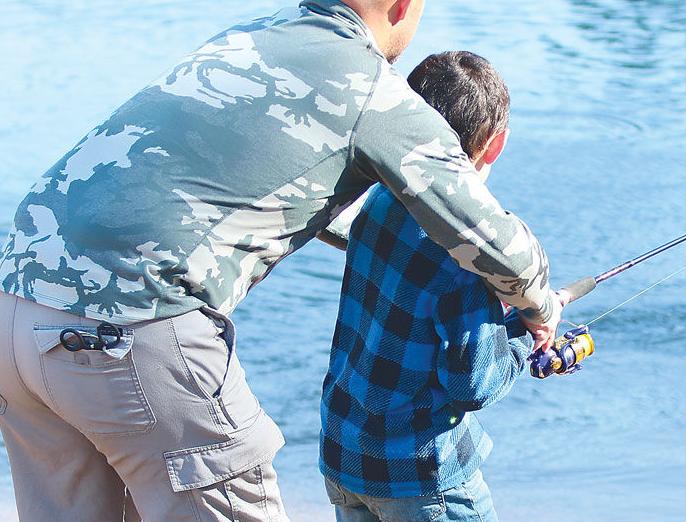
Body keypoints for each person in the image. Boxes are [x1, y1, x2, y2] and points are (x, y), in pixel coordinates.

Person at [0, 1, 562, 521]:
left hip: (15, 307)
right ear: (402, 5)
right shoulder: (372, 87)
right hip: (131, 322)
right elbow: (489, 237)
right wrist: (539, 308)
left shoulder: (247, 38)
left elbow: (263, 200)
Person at [321, 51, 529, 522]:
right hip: (419, 476)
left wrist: (504, 319)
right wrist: (523, 345)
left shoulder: (378, 200)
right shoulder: (469, 250)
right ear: (495, 145)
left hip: (344, 452)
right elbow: (473, 384)